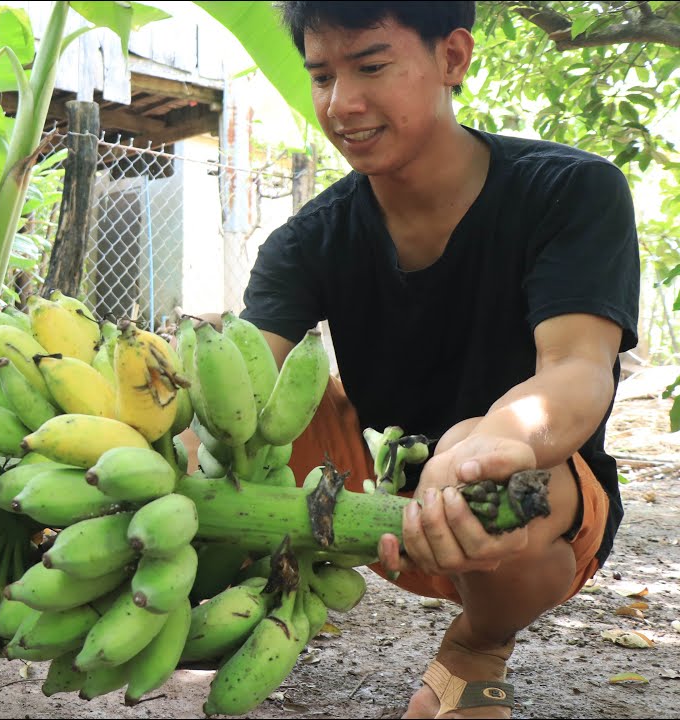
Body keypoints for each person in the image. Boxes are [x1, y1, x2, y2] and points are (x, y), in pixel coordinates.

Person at [237, 2, 639, 718]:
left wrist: (491, 442)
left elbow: (576, 370)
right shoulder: (305, 241)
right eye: (321, 75)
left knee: (506, 481)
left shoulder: (569, 190)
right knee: (236, 409)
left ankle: (476, 648)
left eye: (370, 66)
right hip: (371, 502)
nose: (340, 103)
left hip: (526, 521)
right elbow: (238, 379)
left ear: (453, 58)